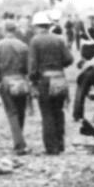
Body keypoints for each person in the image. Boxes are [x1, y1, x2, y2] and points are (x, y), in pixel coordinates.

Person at [28, 12, 72, 155]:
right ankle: (60, 144)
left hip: (45, 81)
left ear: (36, 26)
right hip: (59, 79)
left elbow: (33, 66)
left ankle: (51, 148)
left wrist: (33, 80)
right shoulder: (59, 40)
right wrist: (58, 64)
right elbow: (69, 59)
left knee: (47, 113)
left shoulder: (35, 41)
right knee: (58, 111)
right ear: (48, 25)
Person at [0, 20, 31, 155]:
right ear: (15, 30)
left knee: (12, 113)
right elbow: (28, 67)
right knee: (21, 111)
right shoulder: (23, 45)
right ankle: (20, 139)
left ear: (5, 30)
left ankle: (19, 144)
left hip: (6, 81)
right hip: (21, 81)